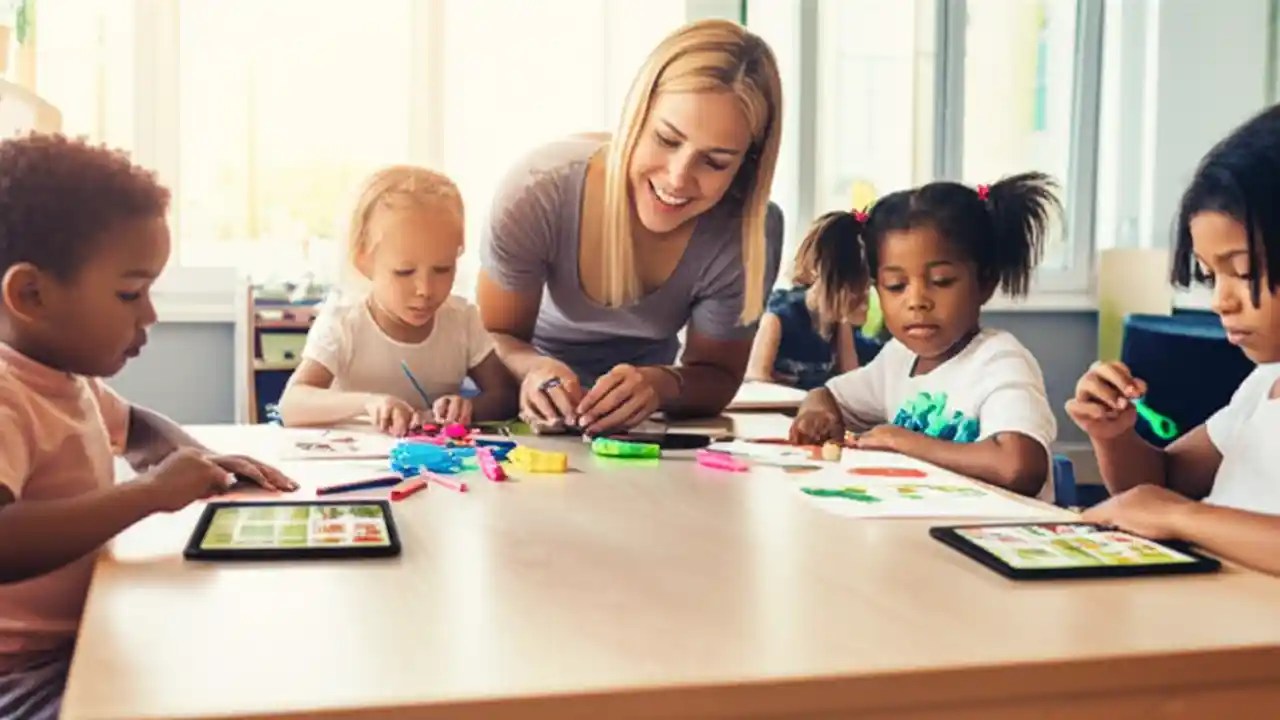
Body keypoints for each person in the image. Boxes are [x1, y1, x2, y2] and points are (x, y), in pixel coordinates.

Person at [0, 134, 294, 719]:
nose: (150, 315)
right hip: (21, 675)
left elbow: (133, 426)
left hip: (83, 633)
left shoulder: (64, 377)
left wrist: (198, 456)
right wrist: (148, 495)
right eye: (130, 292)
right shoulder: (7, 394)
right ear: (30, 294)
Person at [477, 18, 785, 436]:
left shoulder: (748, 231)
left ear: (748, 165)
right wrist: (535, 369)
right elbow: (491, 337)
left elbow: (717, 374)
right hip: (519, 403)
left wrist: (664, 385)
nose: (678, 178)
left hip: (643, 426)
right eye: (666, 139)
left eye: (714, 162)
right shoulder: (537, 191)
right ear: (636, 116)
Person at [1072, 104, 1280, 576]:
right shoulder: (1265, 385)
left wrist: (1179, 517)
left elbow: (1169, 505)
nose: (1220, 301)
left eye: (1243, 271)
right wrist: (1116, 436)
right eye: (1211, 276)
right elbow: (1162, 480)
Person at [790, 174, 1061, 497]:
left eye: (942, 280)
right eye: (896, 286)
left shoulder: (999, 361)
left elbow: (1018, 466)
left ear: (985, 282)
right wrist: (816, 414)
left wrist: (904, 443)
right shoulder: (899, 359)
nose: (917, 300)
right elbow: (827, 395)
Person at [279, 166, 518, 435]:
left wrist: (469, 408)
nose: (425, 290)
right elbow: (292, 405)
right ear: (363, 262)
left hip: (436, 465)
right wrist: (368, 403)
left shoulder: (462, 319)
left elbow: (506, 396)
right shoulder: (344, 321)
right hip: (353, 466)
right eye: (404, 272)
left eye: (442, 269)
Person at [746, 210, 883, 389]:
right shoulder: (779, 318)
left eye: (869, 287)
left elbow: (851, 382)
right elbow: (756, 378)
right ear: (820, 268)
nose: (865, 299)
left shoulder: (840, 324)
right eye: (854, 289)